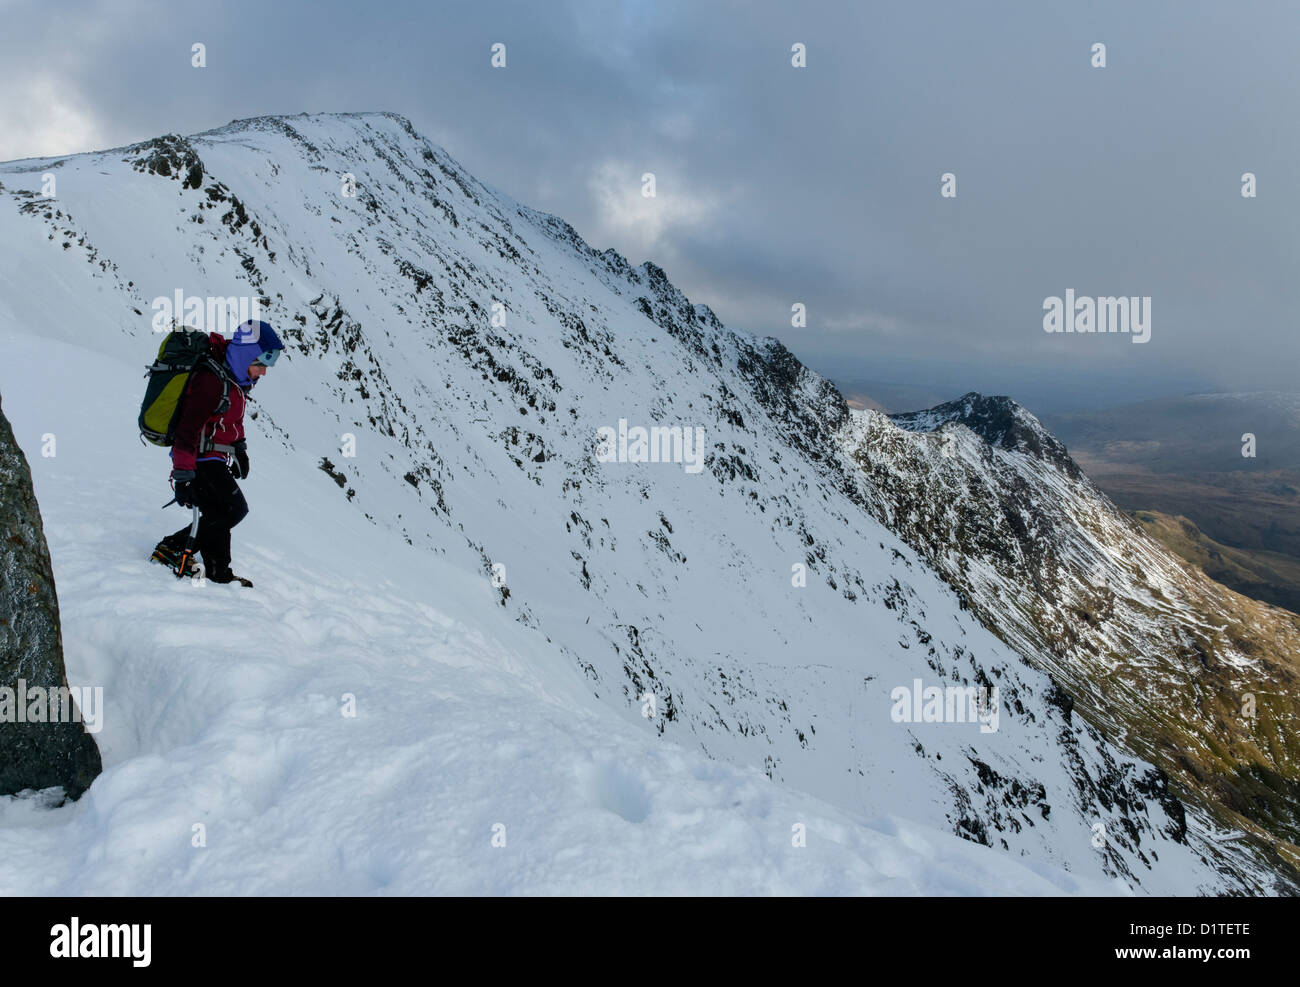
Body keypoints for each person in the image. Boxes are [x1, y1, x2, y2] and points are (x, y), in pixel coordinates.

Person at [150, 320, 284, 585]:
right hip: (197, 460)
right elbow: (187, 431)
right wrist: (183, 475)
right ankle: (171, 548)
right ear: (247, 354)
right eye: (261, 364)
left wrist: (239, 450)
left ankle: (219, 572)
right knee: (233, 509)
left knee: (219, 511)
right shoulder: (211, 380)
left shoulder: (233, 379)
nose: (264, 373)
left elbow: (232, 421)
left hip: (213, 457)